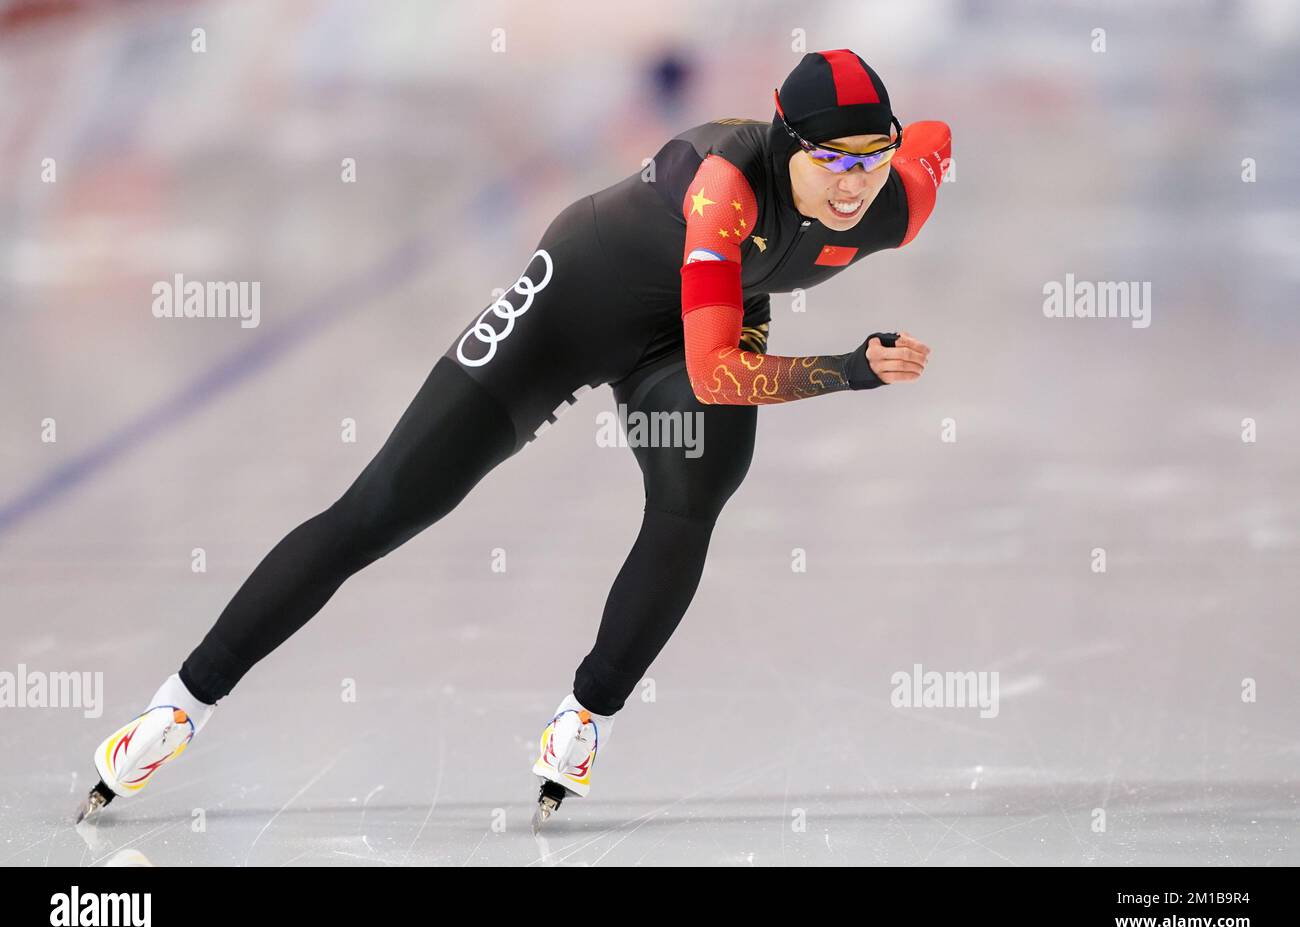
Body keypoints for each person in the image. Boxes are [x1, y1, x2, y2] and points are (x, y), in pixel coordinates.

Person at [77, 49, 952, 830]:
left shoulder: (894, 203)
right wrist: (850, 368)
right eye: (832, 161)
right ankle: (180, 705)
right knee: (383, 507)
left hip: (691, 332)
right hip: (570, 308)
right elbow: (722, 372)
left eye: (872, 159)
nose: (854, 185)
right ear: (785, 142)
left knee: (695, 497)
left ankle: (585, 719)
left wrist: (908, 155)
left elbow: (935, 141)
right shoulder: (725, 184)